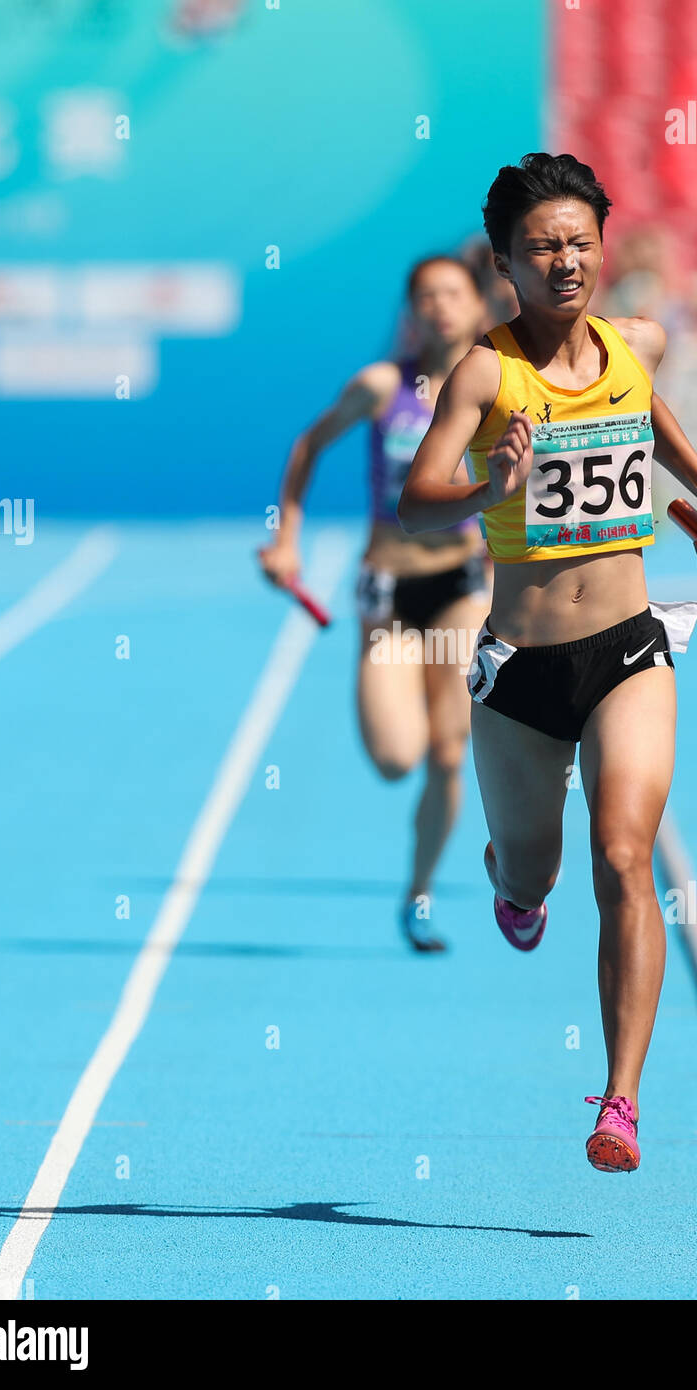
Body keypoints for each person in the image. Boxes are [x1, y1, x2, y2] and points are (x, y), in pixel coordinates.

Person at [398, 153, 697, 1171]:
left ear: (601, 245)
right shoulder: (485, 372)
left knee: (626, 855)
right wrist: (486, 485)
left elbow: (652, 417)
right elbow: (419, 494)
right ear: (506, 260)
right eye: (543, 246)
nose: (565, 261)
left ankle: (621, 1099)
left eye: (580, 242)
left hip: (629, 649)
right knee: (539, 864)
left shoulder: (635, 341)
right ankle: (511, 882)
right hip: (521, 671)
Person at [259, 256, 491, 953]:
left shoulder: (498, 384)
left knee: (449, 755)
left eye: (452, 293)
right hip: (388, 593)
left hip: (459, 587)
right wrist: (286, 538)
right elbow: (308, 444)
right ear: (410, 313)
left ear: (477, 307)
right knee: (396, 758)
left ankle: (417, 894)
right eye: (425, 297)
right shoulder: (381, 386)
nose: (439, 307)